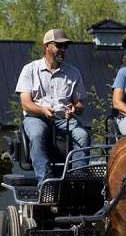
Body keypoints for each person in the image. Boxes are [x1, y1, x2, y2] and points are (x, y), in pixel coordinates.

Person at [15, 28, 90, 182]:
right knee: (36, 134)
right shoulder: (30, 70)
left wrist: (75, 108)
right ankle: (45, 180)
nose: (63, 50)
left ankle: (77, 179)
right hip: (36, 117)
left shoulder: (73, 72)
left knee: (82, 135)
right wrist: (42, 109)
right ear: (47, 46)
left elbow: (80, 105)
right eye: (59, 46)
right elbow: (26, 103)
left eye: (65, 46)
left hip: (64, 119)